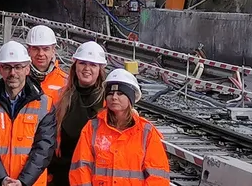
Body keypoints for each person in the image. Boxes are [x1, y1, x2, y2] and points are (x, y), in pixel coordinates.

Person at [0, 41, 56, 186]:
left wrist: (23, 182)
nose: (13, 73)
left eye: (18, 67)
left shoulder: (45, 104)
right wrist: (2, 179)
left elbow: (43, 149)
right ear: (0, 69)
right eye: (7, 67)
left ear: (27, 69)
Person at [69, 69, 171, 186]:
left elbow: (158, 177)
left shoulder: (146, 132)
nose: (114, 97)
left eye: (120, 93)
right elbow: (81, 169)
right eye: (110, 94)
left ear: (130, 99)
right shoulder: (92, 128)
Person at [47, 41, 107, 186]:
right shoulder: (59, 97)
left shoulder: (108, 102)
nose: (87, 68)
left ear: (100, 69)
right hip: (62, 174)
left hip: (94, 174)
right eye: (82, 63)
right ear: (75, 66)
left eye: (93, 65)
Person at [25, 25, 67, 105]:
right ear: (28, 50)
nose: (40, 54)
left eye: (45, 49)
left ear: (53, 50)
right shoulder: (18, 79)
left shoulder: (67, 83)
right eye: (35, 48)